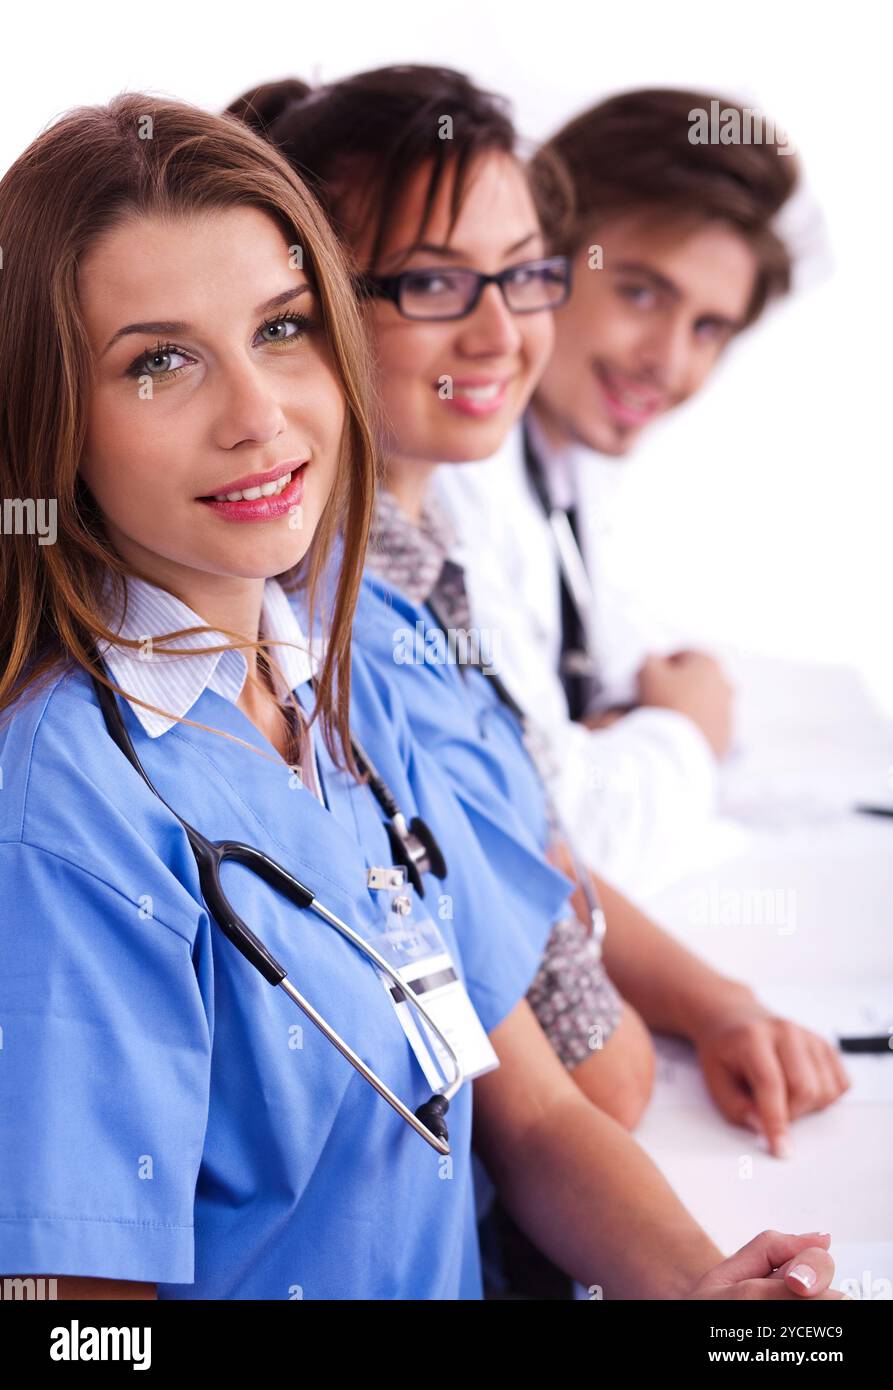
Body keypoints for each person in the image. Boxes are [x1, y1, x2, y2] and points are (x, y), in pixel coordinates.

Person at [0, 92, 844, 1303]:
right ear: (49, 418)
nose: (258, 415)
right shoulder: (67, 811)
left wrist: (704, 1289)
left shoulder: (345, 670)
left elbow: (539, 1120)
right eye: (161, 362)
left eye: (282, 330)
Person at [435, 88, 801, 899]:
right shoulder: (449, 483)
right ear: (537, 262)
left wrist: (630, 732)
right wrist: (685, 735)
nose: (667, 363)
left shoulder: (571, 467)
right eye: (640, 293)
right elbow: (559, 842)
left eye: (708, 328)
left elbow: (648, 665)